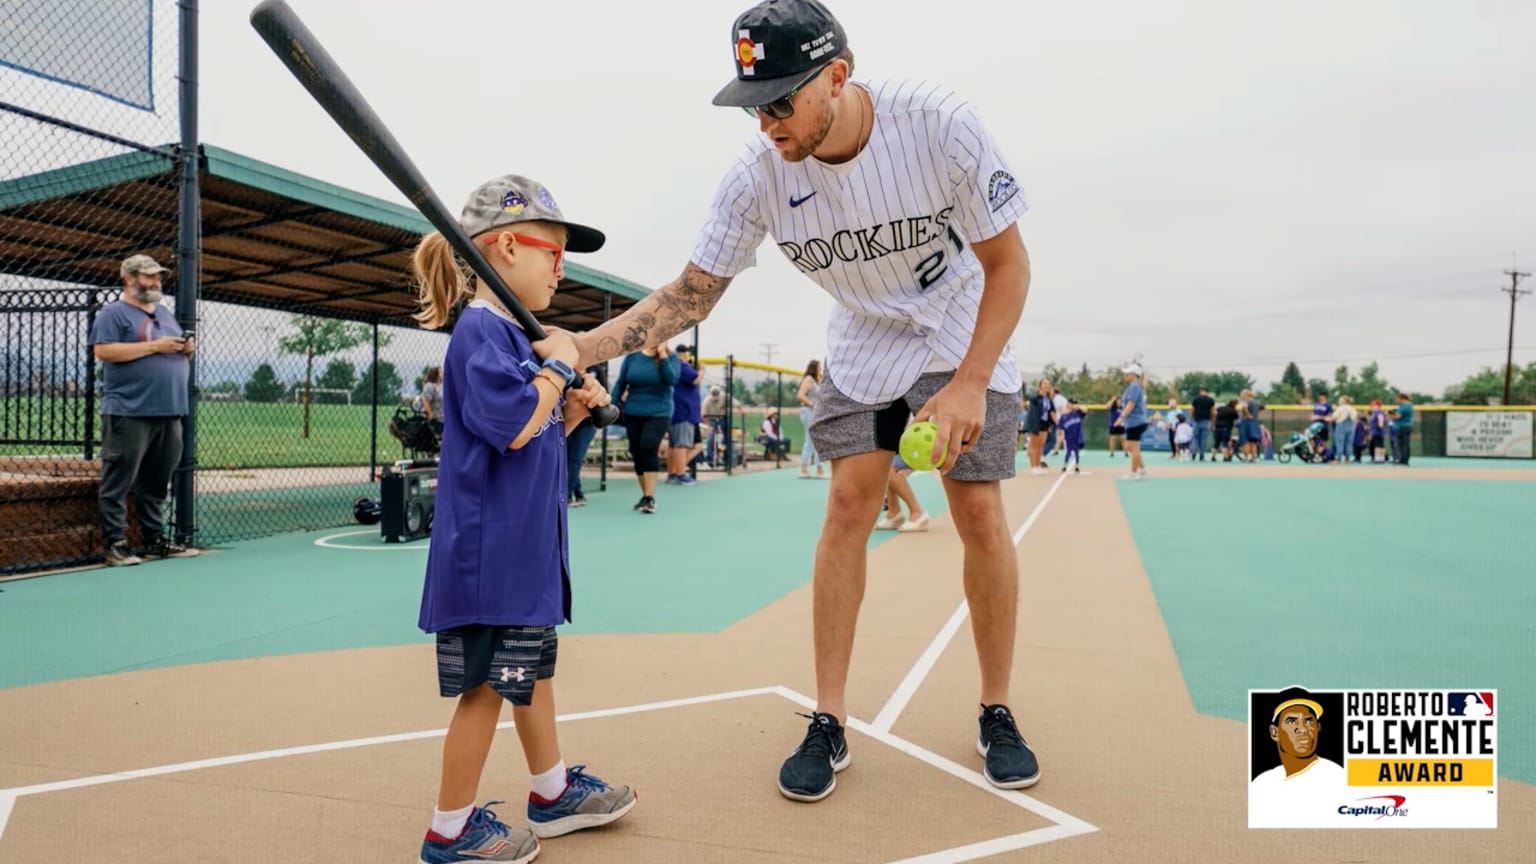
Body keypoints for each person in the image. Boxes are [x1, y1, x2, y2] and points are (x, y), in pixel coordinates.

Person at [570, 0, 1040, 801]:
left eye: (781, 102)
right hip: (863, 335)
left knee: (978, 513)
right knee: (849, 509)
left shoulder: (938, 125)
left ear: (837, 76)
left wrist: (968, 383)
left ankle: (996, 708)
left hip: (961, 320)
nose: (766, 124)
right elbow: (691, 295)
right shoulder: (755, 178)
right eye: (754, 106)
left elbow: (1009, 265)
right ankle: (829, 718)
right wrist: (581, 347)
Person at [409, 175, 635, 863]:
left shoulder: (514, 343)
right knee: (485, 688)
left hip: (521, 550)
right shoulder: (480, 334)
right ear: (505, 247)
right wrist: (562, 366)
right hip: (489, 559)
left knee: (528, 672)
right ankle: (448, 832)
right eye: (551, 253)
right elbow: (510, 424)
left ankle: (552, 790)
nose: (560, 269)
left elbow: (534, 436)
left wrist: (565, 404)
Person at [88, 253, 200, 566]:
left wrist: (185, 349)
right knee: (118, 481)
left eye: (158, 276)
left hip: (169, 410)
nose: (155, 282)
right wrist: (155, 346)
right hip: (129, 411)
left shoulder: (164, 313)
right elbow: (104, 351)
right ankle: (115, 545)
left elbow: (170, 347)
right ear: (128, 278)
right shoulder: (113, 313)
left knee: (156, 482)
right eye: (148, 276)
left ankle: (154, 540)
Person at [612, 342, 679, 512]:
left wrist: (662, 356)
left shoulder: (671, 357)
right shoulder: (632, 357)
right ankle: (644, 495)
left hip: (659, 411)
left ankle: (650, 497)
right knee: (636, 451)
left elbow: (671, 379)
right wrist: (611, 405)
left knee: (648, 447)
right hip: (633, 410)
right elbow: (621, 382)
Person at [666, 344, 702, 486]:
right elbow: (695, 379)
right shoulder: (681, 364)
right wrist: (702, 370)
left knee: (674, 445)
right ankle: (680, 474)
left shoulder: (671, 364)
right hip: (684, 411)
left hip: (676, 411)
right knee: (681, 445)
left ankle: (673, 473)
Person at [796, 359, 827, 478]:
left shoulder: (817, 381)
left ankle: (819, 469)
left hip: (816, 413)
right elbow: (800, 395)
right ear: (814, 368)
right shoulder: (809, 379)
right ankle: (803, 469)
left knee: (818, 440)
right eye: (819, 368)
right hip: (808, 411)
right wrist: (812, 404)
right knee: (810, 440)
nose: (820, 370)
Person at [1117, 365, 1149, 479]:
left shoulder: (1134, 386)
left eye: (1128, 373)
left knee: (1132, 447)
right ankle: (1142, 470)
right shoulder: (1132, 386)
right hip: (1133, 422)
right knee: (1130, 447)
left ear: (1134, 375)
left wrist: (1121, 416)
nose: (1126, 375)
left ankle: (1133, 472)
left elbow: (1131, 404)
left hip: (1136, 422)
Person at [1058, 398, 1085, 473]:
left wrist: (1077, 406)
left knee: (1076, 451)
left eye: (1073, 403)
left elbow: (1085, 410)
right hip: (1068, 436)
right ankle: (1064, 466)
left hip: (1077, 436)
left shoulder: (1078, 413)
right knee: (1068, 451)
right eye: (1071, 403)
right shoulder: (1064, 416)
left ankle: (1077, 466)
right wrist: (1061, 435)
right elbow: (1060, 427)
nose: (1072, 405)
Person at [1388, 393, 1414, 465]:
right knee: (1404, 444)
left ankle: (1403, 460)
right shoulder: (1408, 405)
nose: (1396, 400)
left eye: (1397, 398)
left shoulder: (1404, 406)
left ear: (1402, 398)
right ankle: (1403, 460)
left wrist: (1389, 415)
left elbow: (1397, 417)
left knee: (1402, 444)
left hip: (1402, 427)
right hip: (1405, 427)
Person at [1190, 387, 1215, 461]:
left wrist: (1192, 418)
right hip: (1206, 421)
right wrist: (1212, 422)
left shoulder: (1196, 399)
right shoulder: (1210, 400)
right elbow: (1212, 412)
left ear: (1200, 392)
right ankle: (1201, 455)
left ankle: (1193, 454)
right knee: (1203, 439)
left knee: (1195, 438)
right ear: (1207, 392)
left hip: (1197, 421)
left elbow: (1192, 410)